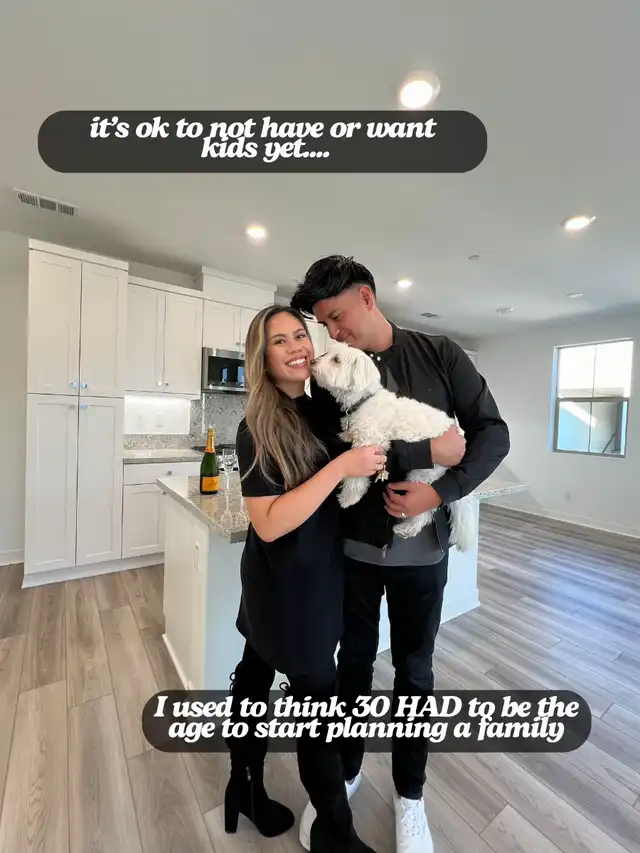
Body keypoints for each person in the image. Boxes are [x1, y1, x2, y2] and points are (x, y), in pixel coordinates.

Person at [291, 255, 510, 853]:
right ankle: (346, 772)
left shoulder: (440, 354)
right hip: (354, 552)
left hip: (422, 554)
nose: (333, 333)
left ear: (367, 297)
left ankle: (410, 795)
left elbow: (491, 434)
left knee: (415, 672)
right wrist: (423, 453)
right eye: (324, 325)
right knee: (352, 668)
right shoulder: (329, 378)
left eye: (337, 317)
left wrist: (441, 490)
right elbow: (326, 453)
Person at [224, 304, 387, 853]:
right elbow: (269, 523)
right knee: (318, 706)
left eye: (301, 335)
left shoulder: (323, 408)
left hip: (320, 575)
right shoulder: (256, 426)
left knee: (254, 672)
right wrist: (341, 468)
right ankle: (334, 834)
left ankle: (243, 788)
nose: (296, 346)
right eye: (280, 341)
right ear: (262, 358)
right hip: (284, 583)